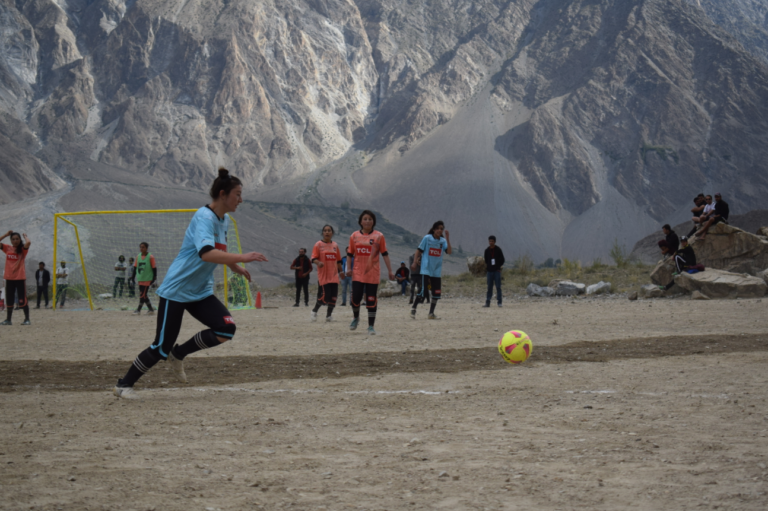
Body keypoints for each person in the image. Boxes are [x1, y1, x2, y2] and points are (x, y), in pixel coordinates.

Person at [113, 167, 269, 399]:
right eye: (238, 194)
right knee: (160, 347)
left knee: (226, 329)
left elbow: (218, 251)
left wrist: (234, 267)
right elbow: (206, 253)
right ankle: (123, 386)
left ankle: (179, 354)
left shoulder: (223, 219)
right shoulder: (203, 217)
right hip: (177, 290)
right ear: (223, 194)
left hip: (200, 291)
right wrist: (242, 257)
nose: (241, 199)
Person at [347, 210, 394, 335]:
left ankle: (371, 326)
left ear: (374, 222)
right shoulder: (354, 236)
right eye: (365, 219)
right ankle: (356, 317)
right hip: (357, 273)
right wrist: (349, 269)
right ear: (360, 222)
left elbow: (384, 254)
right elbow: (350, 254)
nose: (367, 221)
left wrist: (390, 270)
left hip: (373, 274)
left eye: (370, 219)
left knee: (371, 299)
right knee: (355, 298)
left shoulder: (379, 236)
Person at [410, 221, 451, 319]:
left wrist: (448, 239)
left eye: (441, 228)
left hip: (436, 270)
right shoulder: (427, 238)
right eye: (437, 228)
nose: (439, 230)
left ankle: (431, 313)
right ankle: (413, 308)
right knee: (424, 291)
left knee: (436, 292)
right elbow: (418, 250)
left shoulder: (443, 241)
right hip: (426, 269)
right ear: (433, 229)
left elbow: (449, 252)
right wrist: (415, 262)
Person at [310, 225, 343, 322]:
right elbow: (313, 258)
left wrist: (341, 271)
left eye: (329, 230)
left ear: (332, 233)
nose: (327, 232)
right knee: (326, 295)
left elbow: (338, 260)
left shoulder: (335, 245)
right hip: (324, 275)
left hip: (334, 275)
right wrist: (318, 262)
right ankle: (314, 310)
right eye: (325, 231)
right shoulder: (318, 244)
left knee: (334, 296)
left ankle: (329, 316)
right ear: (322, 233)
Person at [1, 231, 31, 325]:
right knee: (9, 298)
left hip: (20, 278)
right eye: (13, 239)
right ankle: (8, 320)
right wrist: (5, 235)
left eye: (17, 239)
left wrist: (25, 236)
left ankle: (27, 319)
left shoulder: (22, 249)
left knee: (22, 298)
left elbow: (28, 243)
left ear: (20, 240)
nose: (15, 241)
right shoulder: (7, 248)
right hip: (9, 278)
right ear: (11, 240)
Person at [132, 242, 157, 315]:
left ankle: (138, 310)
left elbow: (154, 267)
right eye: (140, 247)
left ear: (146, 248)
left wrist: (154, 277)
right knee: (144, 295)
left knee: (142, 294)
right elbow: (135, 267)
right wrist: (133, 276)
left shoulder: (150, 256)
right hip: (140, 278)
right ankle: (151, 309)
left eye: (143, 247)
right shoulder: (138, 256)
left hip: (147, 278)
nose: (141, 248)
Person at [483, 235, 505, 307]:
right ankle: (488, 302)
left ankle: (499, 302)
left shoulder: (498, 250)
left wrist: (498, 266)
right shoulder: (486, 250)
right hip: (489, 271)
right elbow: (486, 260)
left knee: (498, 286)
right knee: (489, 287)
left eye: (492, 241)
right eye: (490, 241)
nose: (491, 242)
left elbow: (502, 259)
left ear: (495, 242)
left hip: (496, 271)